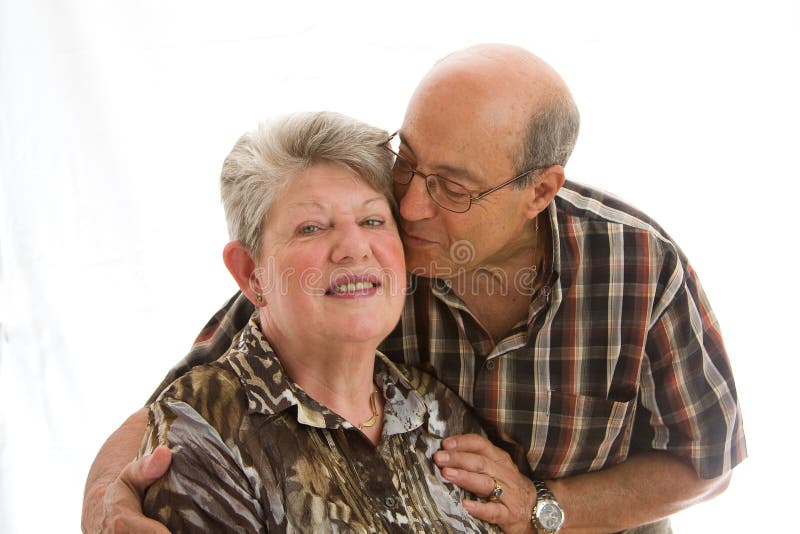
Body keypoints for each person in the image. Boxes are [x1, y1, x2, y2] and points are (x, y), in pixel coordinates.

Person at [83, 44, 746, 533]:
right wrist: (104, 504)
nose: (414, 208)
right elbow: (190, 401)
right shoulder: (374, 241)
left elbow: (707, 461)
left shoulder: (638, 268)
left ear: (539, 191)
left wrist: (548, 507)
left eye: (452, 188)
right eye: (408, 162)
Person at [137, 111, 501, 532]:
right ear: (251, 272)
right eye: (311, 228)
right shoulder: (201, 428)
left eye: (372, 221)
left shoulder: (439, 410)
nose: (354, 248)